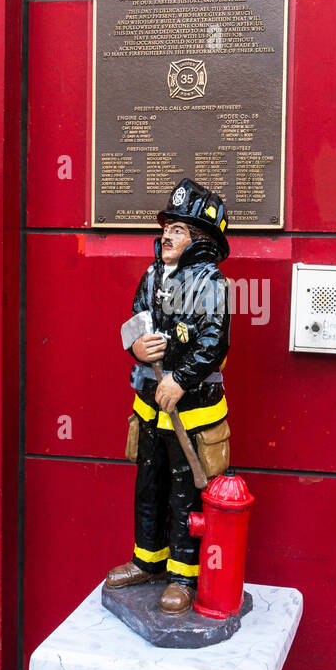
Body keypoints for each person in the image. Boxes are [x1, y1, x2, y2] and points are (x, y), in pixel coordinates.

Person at [106, 178, 231, 614]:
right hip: (148, 408)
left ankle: (183, 573)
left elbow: (213, 342)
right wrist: (137, 347)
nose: (167, 236)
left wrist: (180, 379)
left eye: (178, 230)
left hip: (191, 412)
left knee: (184, 493)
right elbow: (134, 324)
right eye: (167, 228)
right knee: (149, 483)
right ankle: (148, 559)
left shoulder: (211, 283)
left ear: (199, 239)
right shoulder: (153, 275)